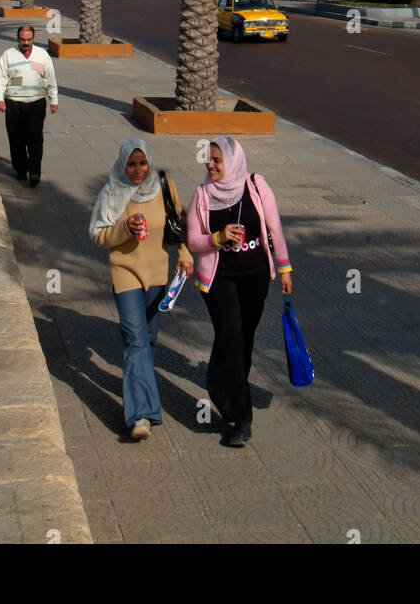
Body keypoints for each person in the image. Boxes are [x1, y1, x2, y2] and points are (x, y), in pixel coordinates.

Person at [186, 137, 292, 448]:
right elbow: (194, 240)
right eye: (209, 159)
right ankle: (241, 417)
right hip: (219, 279)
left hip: (255, 277)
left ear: (232, 162)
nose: (210, 165)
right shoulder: (202, 196)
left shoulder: (257, 187)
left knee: (244, 339)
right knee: (230, 332)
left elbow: (274, 230)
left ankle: (229, 388)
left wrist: (285, 269)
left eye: (217, 160)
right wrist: (217, 238)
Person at [89, 139, 192, 441]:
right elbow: (98, 235)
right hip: (126, 275)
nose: (137, 170)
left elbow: (179, 221)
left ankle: (141, 393)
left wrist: (185, 254)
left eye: (142, 163)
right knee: (135, 340)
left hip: (158, 276)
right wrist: (124, 230)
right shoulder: (111, 192)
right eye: (131, 165)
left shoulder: (163, 184)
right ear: (123, 165)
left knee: (148, 339)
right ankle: (141, 415)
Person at [0, 25, 58, 186]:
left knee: (35, 139)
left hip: (35, 104)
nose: (25, 43)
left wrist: (53, 99)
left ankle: (35, 172)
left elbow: (50, 79)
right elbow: (0, 79)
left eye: (29, 40)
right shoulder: (8, 55)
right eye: (22, 39)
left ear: (33, 39)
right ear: (18, 39)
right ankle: (21, 170)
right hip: (13, 103)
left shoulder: (42, 55)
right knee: (16, 139)